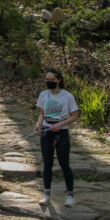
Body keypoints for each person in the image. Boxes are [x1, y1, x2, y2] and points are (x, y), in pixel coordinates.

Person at [34, 68, 80, 206]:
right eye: (47, 80)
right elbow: (42, 113)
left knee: (64, 163)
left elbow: (75, 116)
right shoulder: (43, 94)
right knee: (47, 163)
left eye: (52, 80)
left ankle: (70, 195)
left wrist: (60, 124)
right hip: (47, 132)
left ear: (59, 80)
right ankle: (47, 195)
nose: (49, 82)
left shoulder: (68, 96)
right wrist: (38, 124)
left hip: (62, 133)